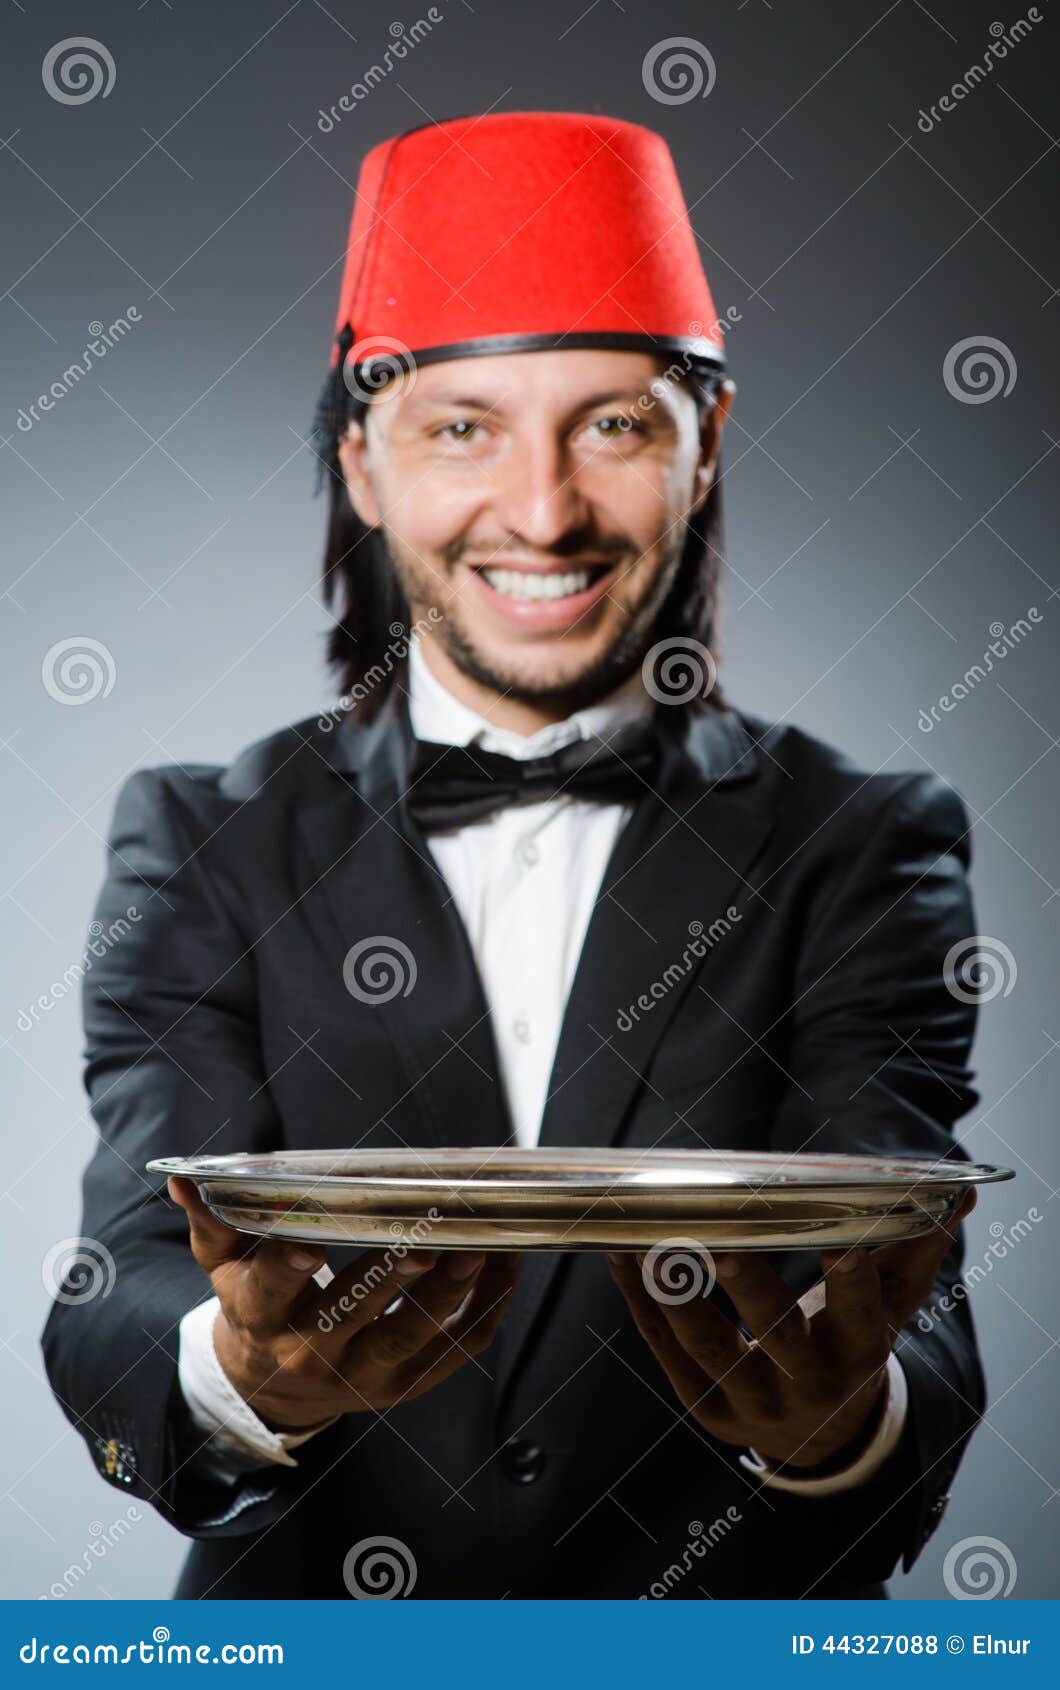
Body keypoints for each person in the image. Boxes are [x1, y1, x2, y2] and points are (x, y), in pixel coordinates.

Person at [41, 110, 984, 1600]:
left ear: (705, 444)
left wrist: (842, 1427)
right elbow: (115, 1281)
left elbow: (905, 1285)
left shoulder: (866, 845)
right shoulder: (202, 837)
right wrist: (240, 1370)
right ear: (363, 461)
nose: (541, 512)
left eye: (613, 423)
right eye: (462, 425)